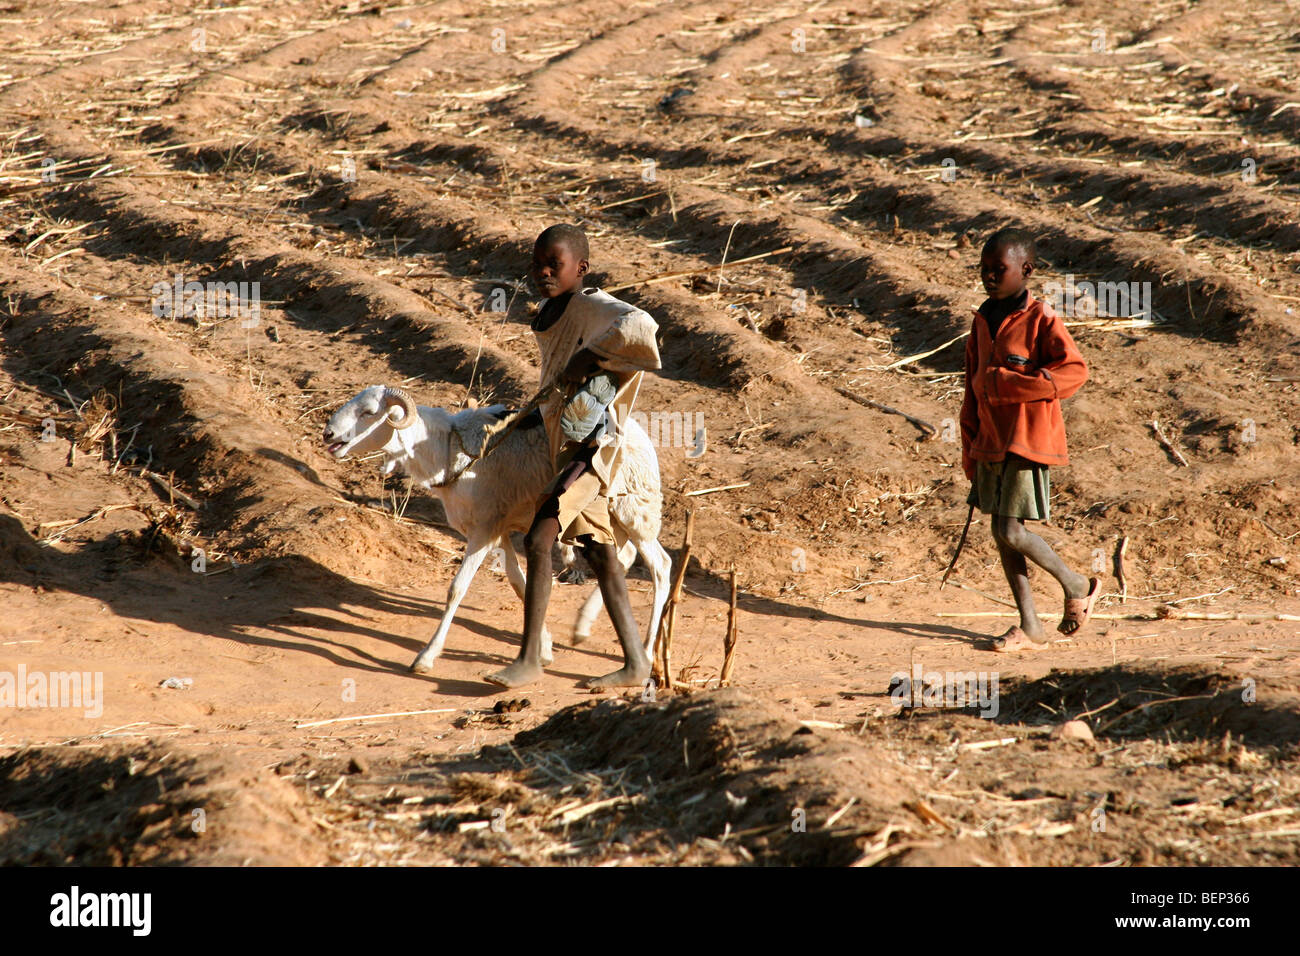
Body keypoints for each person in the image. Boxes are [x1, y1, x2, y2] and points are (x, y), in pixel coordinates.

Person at [485, 224, 661, 688]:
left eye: (554, 264)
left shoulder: (590, 305)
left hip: (591, 449)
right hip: (562, 442)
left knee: (540, 541)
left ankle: (529, 661)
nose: (542, 272)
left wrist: (592, 358)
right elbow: (553, 372)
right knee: (601, 556)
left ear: (580, 268)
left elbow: (641, 324)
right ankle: (637, 665)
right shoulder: (551, 309)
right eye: (537, 263)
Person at [959, 228, 1101, 652]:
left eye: (998, 269)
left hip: (1025, 440)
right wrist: (969, 445)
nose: (988, 276)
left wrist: (1013, 385)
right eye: (983, 269)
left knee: (1009, 529)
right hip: (989, 441)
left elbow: (1074, 372)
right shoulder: (981, 321)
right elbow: (970, 388)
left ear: (1026, 270)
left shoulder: (1042, 319)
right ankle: (1030, 626)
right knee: (1001, 532)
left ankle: (1077, 584)